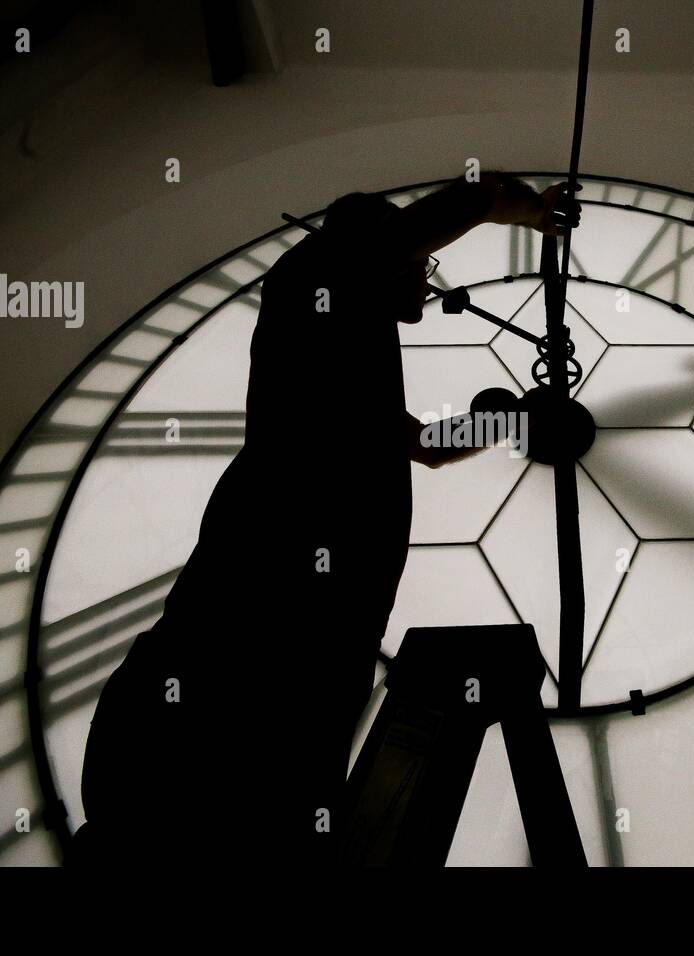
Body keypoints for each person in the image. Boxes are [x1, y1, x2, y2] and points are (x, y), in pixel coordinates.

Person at [74, 172, 578, 867]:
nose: (425, 280)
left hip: (236, 694)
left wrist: (511, 417)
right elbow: (476, 197)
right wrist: (531, 210)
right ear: (378, 244)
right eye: (417, 258)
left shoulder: (326, 338)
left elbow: (424, 445)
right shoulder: (324, 270)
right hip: (273, 691)